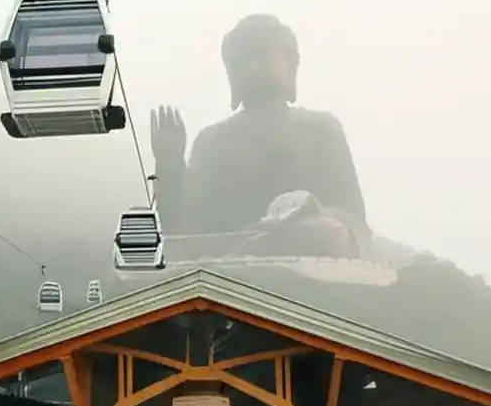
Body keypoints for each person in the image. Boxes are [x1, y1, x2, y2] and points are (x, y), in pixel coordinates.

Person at [152, 15, 370, 260]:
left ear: (290, 65)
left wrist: (309, 218)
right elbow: (187, 234)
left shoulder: (320, 129)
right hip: (230, 265)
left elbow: (354, 222)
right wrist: (169, 166)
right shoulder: (210, 142)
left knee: (327, 232)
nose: (252, 67)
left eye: (262, 55)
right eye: (242, 60)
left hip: (302, 254)